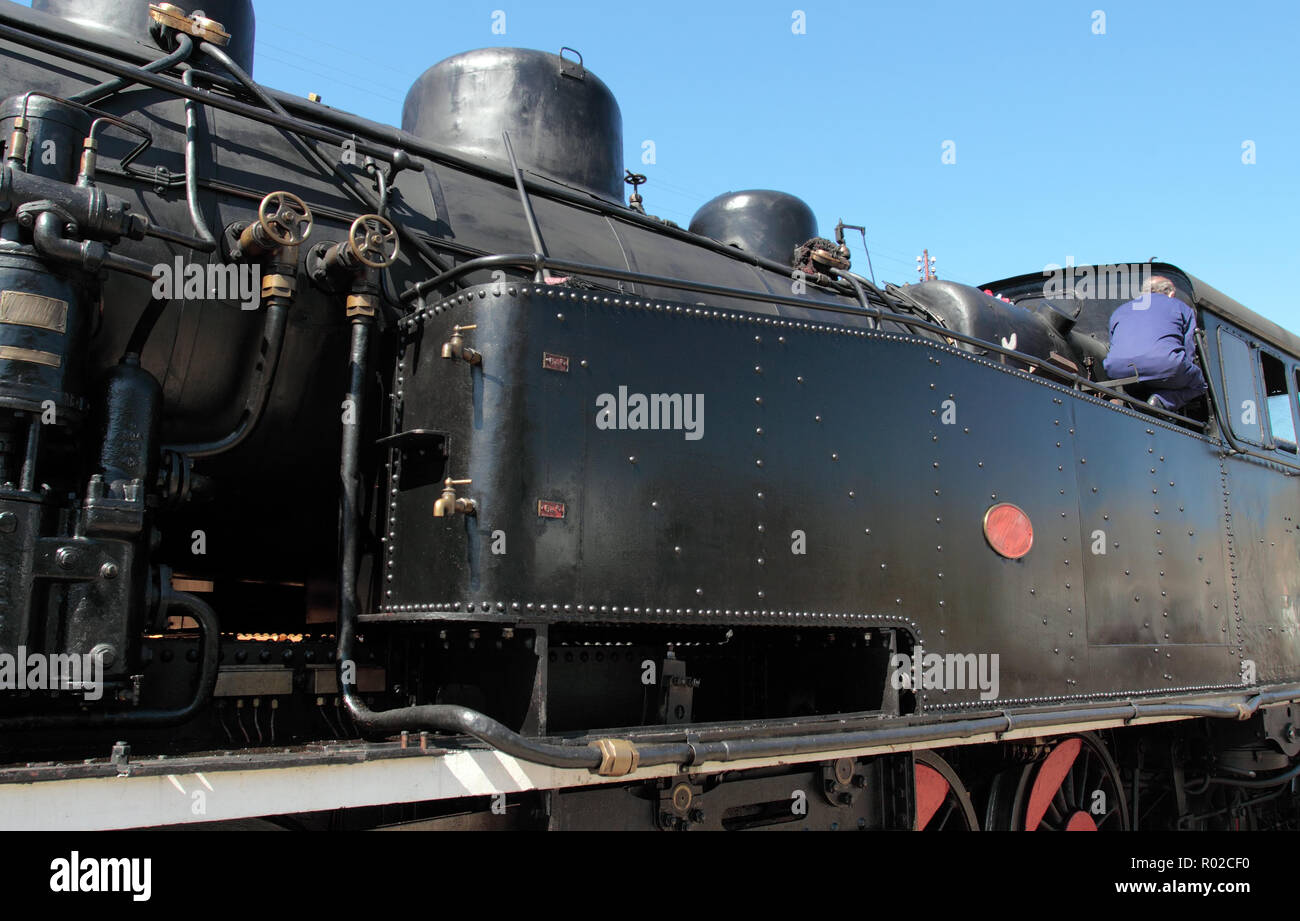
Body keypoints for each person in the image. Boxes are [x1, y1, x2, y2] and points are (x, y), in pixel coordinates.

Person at [1103, 275, 1207, 411]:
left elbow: (1113, 344)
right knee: (1199, 384)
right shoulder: (1181, 308)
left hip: (1117, 369)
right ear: (1171, 293)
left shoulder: (1119, 311)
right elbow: (1189, 349)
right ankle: (1161, 402)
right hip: (1165, 365)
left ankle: (1133, 403)